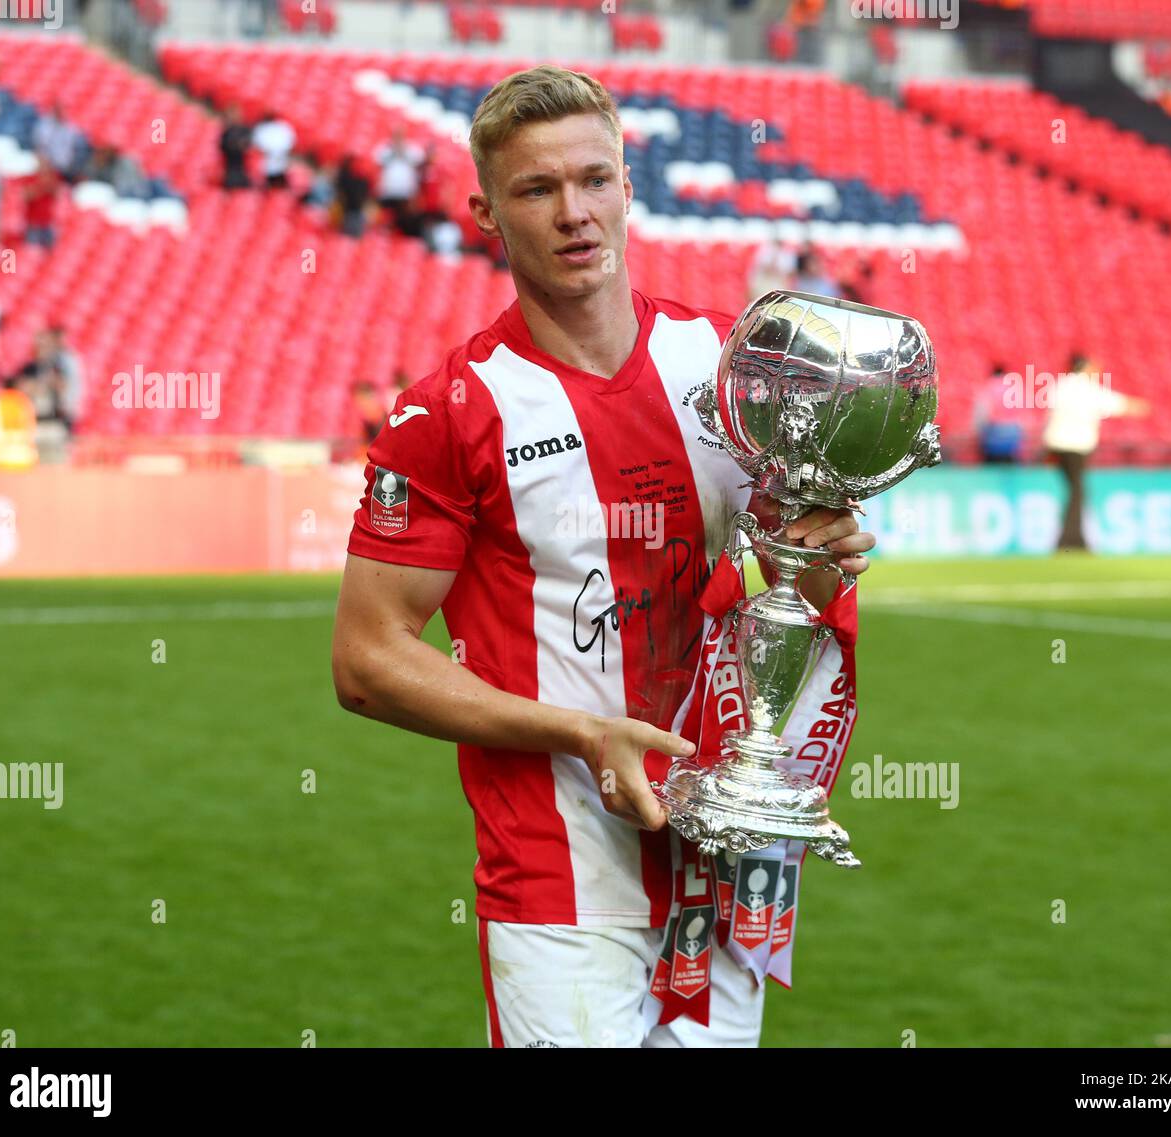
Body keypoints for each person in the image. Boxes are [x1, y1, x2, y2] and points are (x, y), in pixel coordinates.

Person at [331, 65, 876, 1049]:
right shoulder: (448, 413)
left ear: (629, 188)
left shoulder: (728, 370)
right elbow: (367, 662)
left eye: (593, 180)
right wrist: (585, 735)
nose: (573, 213)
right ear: (487, 215)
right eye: (536, 190)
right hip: (559, 873)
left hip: (724, 858)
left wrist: (824, 558)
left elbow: (787, 584)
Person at [1043, 354, 1150, 551]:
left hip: (1057, 444)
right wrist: (1140, 406)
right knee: (1077, 491)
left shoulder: (1060, 386)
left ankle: (1074, 538)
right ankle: (1070, 540)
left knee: (1075, 490)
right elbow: (1115, 403)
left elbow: (1049, 414)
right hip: (1076, 446)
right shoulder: (1086, 388)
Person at [373, 128, 424, 235]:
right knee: (387, 216)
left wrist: (402, 150)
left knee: (404, 217)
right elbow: (377, 158)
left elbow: (420, 159)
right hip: (388, 191)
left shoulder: (410, 148)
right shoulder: (386, 148)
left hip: (406, 191)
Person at [974, 363, 1022, 464]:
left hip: (994, 433)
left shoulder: (989, 386)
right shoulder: (1013, 387)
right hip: (1012, 434)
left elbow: (983, 412)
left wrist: (979, 431)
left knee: (992, 465)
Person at [251, 110, 295, 189]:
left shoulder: (282, 127)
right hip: (266, 164)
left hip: (281, 162)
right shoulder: (261, 128)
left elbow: (289, 142)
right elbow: (257, 144)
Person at [22, 157, 60, 247]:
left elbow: (56, 192)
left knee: (49, 251)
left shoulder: (52, 178)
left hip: (47, 222)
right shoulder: (30, 178)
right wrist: (41, 186)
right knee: (32, 250)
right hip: (33, 223)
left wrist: (45, 185)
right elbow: (26, 196)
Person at [219, 104, 253, 190]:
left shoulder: (245, 130)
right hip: (231, 170)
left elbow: (248, 145)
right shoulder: (226, 132)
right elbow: (224, 147)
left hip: (244, 170)